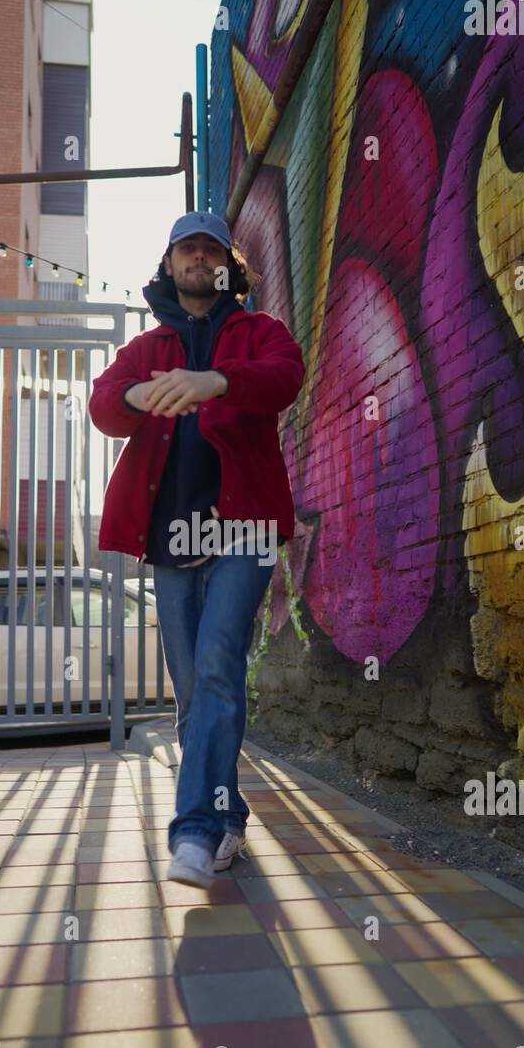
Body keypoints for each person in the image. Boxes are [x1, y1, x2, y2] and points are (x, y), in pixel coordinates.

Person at [88, 211, 304, 888]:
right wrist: (134, 392)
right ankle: (228, 812)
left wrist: (219, 382)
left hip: (243, 532)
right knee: (193, 692)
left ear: (227, 267)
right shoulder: (147, 347)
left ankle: (192, 833)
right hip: (167, 536)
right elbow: (102, 408)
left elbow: (284, 379)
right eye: (188, 246)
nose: (199, 256)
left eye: (211, 247)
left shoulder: (258, 333)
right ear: (171, 263)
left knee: (216, 667)